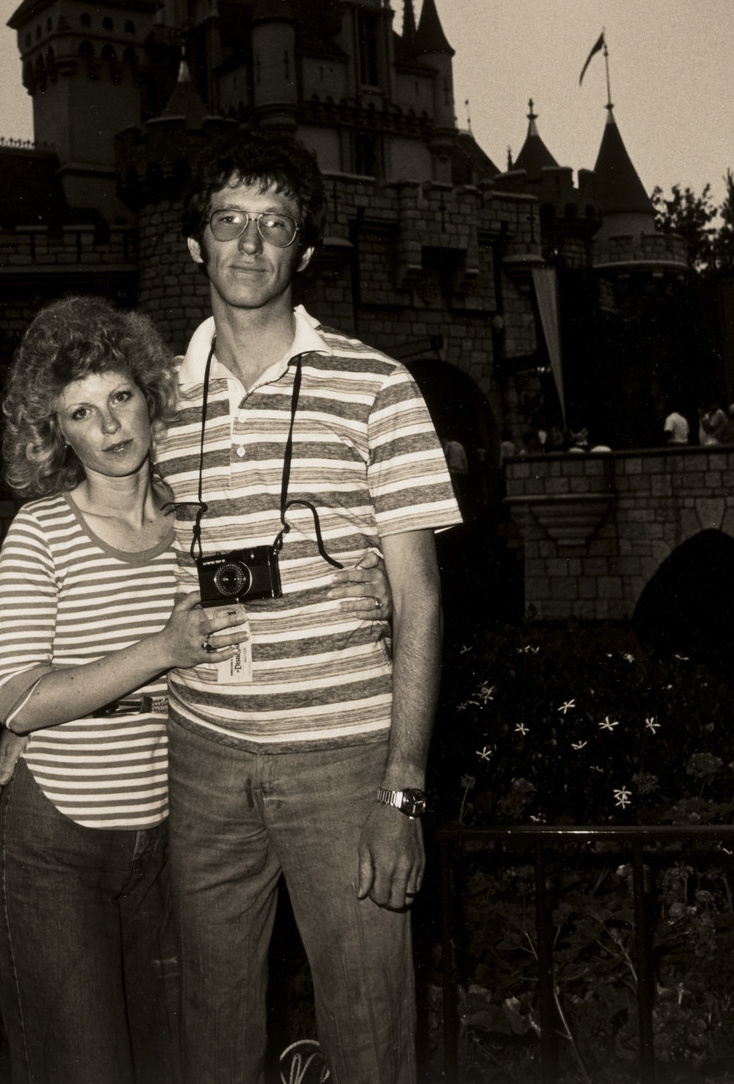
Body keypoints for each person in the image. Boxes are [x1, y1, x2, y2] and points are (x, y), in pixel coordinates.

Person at [0, 295, 393, 1084]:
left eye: (120, 397)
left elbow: (284, 590)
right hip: (62, 840)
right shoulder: (40, 530)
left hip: (170, 839)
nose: (109, 427)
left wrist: (369, 582)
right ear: (55, 431)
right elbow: (20, 698)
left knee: (170, 1061)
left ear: (150, 396)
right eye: (80, 413)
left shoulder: (196, 523)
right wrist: (159, 651)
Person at [158, 126, 461, 1084]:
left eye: (274, 224)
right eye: (229, 221)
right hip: (202, 759)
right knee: (212, 1033)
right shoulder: (155, 402)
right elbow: (111, 565)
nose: (249, 244)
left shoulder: (378, 386)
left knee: (369, 1032)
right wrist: (30, 718)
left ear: (304, 249)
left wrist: (401, 790)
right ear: (195, 243)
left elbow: (418, 599)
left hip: (343, 763)